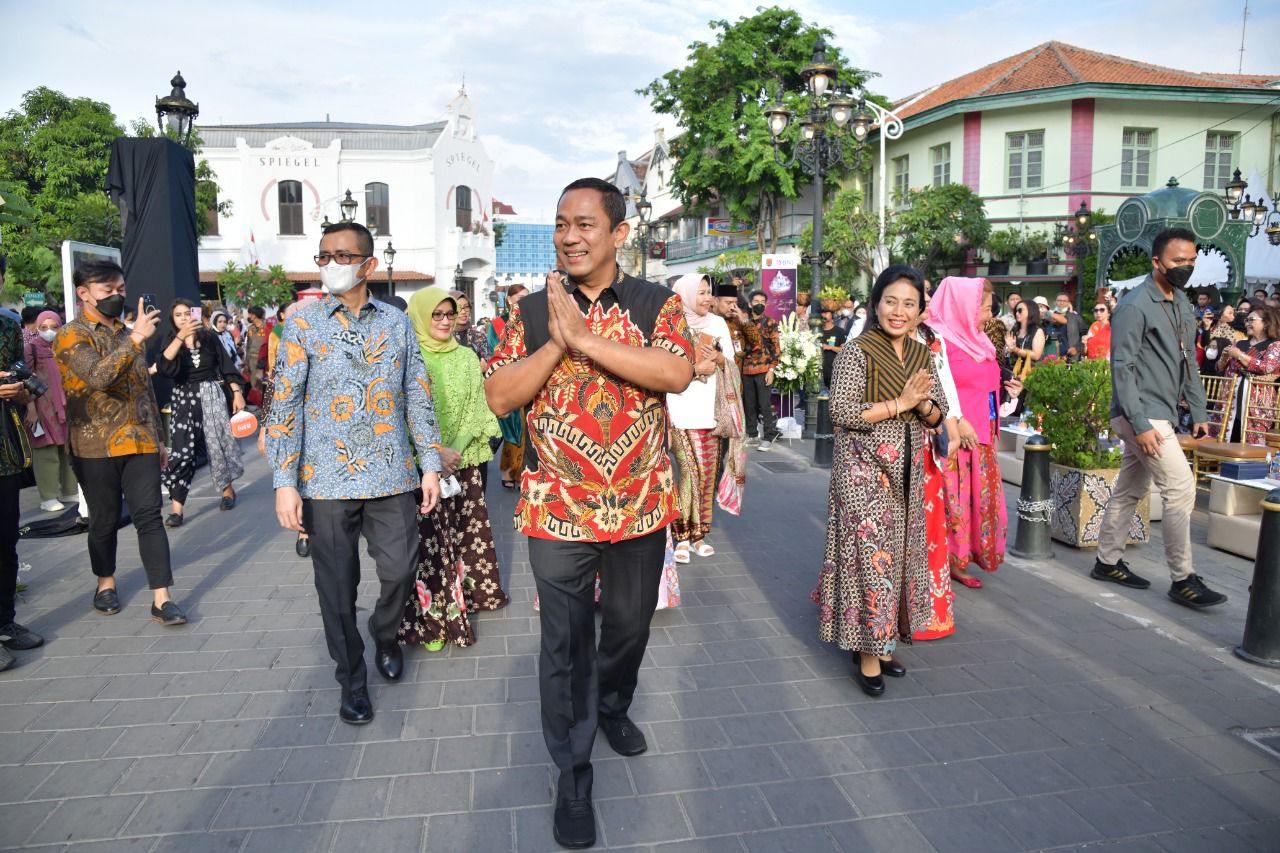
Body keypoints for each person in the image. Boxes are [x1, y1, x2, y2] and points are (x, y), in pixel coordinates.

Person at [484, 177, 693, 850]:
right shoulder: (530, 311)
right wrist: (556, 341)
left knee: (628, 628)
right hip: (558, 509)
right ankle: (573, 773)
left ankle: (613, 704)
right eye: (560, 224)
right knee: (564, 644)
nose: (570, 236)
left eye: (585, 224)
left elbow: (676, 373)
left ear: (619, 233)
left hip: (639, 504)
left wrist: (589, 341)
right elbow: (497, 394)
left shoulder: (655, 302)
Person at [267, 221, 443, 725]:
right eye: (324, 256)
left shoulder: (397, 323)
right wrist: (284, 483)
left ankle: (386, 633)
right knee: (337, 589)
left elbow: (416, 393)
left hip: (392, 475)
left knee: (401, 572)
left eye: (342, 256)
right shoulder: (301, 326)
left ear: (367, 265)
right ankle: (352, 679)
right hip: (324, 481)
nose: (331, 265)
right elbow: (283, 408)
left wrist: (429, 463)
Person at [814, 264, 946, 698]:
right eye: (891, 301)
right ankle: (868, 654)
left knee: (901, 556)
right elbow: (843, 413)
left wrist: (923, 406)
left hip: (906, 470)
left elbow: (938, 413)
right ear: (875, 304)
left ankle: (884, 642)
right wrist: (900, 403)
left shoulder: (923, 354)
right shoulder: (857, 352)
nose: (899, 311)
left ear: (921, 311)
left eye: (909, 304)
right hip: (862, 470)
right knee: (871, 560)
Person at [1093, 227, 1226, 608]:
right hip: (1142, 413)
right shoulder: (1135, 306)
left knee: (1130, 488)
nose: (1184, 267)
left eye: (1190, 261)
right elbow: (1122, 369)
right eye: (1176, 261)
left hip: (1160, 412)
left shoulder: (1182, 302)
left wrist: (1198, 410)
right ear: (1156, 262)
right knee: (1181, 487)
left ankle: (1106, 561)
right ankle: (1183, 578)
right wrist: (1141, 424)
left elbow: (1189, 361)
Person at [55, 260, 186, 626]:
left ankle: (162, 598)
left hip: (140, 440)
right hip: (94, 445)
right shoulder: (71, 334)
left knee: (149, 517)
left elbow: (142, 388)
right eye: (107, 290)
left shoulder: (129, 333)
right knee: (104, 520)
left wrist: (159, 439)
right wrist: (136, 339)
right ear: (84, 293)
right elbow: (98, 377)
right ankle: (105, 582)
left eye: (120, 290)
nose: (116, 296)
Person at [399, 288, 506, 650]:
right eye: (437, 315)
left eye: (450, 314)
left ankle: (468, 596)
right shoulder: (406, 357)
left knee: (463, 534)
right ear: (421, 316)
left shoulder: (465, 357)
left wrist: (453, 451)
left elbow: (479, 407)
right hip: (420, 469)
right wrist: (433, 453)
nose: (445, 321)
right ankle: (432, 617)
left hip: (462, 464)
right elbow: (399, 413)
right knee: (429, 544)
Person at [932, 277, 1008, 589]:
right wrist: (958, 420)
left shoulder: (978, 339)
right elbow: (936, 386)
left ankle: (963, 558)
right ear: (964, 306)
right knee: (955, 501)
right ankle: (949, 559)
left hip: (983, 435)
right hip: (957, 436)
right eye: (985, 308)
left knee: (977, 502)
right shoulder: (940, 341)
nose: (989, 315)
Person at [155, 298, 246, 526]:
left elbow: (226, 365)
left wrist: (236, 392)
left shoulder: (209, 338)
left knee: (218, 444)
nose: (184, 318)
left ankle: (227, 491)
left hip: (211, 394)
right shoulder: (170, 341)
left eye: (187, 313)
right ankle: (177, 509)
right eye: (179, 315)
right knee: (182, 452)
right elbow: (165, 368)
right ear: (172, 319)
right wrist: (180, 337)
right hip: (184, 398)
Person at [668, 273, 735, 564]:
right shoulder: (671, 324)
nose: (707, 298)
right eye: (701, 293)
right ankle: (681, 535)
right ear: (684, 294)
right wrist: (695, 369)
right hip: (679, 411)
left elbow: (731, 364)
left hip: (710, 414)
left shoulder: (718, 324)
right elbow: (662, 368)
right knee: (688, 474)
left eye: (708, 293)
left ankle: (700, 535)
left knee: (707, 476)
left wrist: (718, 360)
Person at [911, 281, 963, 641]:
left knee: (928, 525)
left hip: (927, 442)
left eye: (923, 297)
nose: (926, 302)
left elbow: (946, 386)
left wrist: (952, 424)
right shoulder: (868, 340)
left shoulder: (932, 341)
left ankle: (928, 609)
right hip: (887, 450)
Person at [0, 305, 42, 670]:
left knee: (6, 541)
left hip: (6, 453)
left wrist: (22, 392)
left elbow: (20, 375)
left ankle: (5, 622)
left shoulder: (8, 328)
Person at [23, 310, 78, 511]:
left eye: (54, 327)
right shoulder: (31, 349)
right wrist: (30, 407)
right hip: (41, 406)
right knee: (45, 451)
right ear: (37, 328)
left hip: (64, 406)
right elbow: (26, 379)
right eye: (44, 328)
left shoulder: (64, 347)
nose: (49, 332)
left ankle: (70, 490)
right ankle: (48, 497)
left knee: (66, 449)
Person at [1219, 305, 1280, 445]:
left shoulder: (1275, 345)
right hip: (1231, 395)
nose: (1247, 323)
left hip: (1257, 400)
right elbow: (1221, 368)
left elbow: (1267, 367)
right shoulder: (1240, 343)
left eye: (1252, 320)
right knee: (1229, 432)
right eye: (1247, 320)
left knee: (1253, 435)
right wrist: (1223, 357)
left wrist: (1240, 356)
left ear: (1266, 323)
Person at [489, 283, 528, 489]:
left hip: (527, 378)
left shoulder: (530, 321)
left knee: (526, 428)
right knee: (511, 429)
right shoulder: (497, 324)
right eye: (520, 298)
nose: (524, 302)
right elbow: (493, 350)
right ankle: (506, 469)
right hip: (505, 379)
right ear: (509, 299)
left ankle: (521, 471)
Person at [742, 290, 780, 450]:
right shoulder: (744, 322)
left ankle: (769, 435)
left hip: (764, 368)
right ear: (750, 304)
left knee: (765, 404)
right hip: (746, 369)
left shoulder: (770, 323)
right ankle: (752, 434)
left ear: (766, 304)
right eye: (756, 301)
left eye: (762, 301)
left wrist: (771, 370)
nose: (759, 304)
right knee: (749, 404)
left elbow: (776, 348)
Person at [1006, 298, 1047, 376]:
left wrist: (1015, 349)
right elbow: (1006, 351)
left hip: (1029, 374)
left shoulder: (1038, 331)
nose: (1017, 313)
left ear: (1031, 311)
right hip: (1011, 371)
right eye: (1016, 311)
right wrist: (1007, 348)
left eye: (1020, 310)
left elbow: (1036, 355)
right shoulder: (1015, 329)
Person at [452, 291, 490, 362]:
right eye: (458, 308)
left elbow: (486, 359)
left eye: (466, 307)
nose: (463, 312)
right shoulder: (445, 337)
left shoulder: (479, 336)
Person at [1047, 292, 1085, 361]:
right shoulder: (1048, 319)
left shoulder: (1076, 318)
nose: (1061, 303)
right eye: (1059, 301)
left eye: (1064, 301)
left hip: (1071, 359)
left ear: (1068, 304)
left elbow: (1085, 336)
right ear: (1055, 303)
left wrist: (1077, 348)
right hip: (1051, 361)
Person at [818, 305, 847, 389]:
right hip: (819, 373)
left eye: (826, 312)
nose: (823, 315)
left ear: (832, 315)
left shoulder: (839, 331)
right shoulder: (816, 330)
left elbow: (843, 350)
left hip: (833, 371)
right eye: (822, 313)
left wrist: (830, 347)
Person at [243, 305, 268, 391]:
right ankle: (257, 402)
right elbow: (248, 345)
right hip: (252, 360)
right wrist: (246, 360)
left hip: (264, 360)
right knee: (254, 383)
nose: (249, 316)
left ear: (255, 315)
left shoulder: (267, 326)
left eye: (250, 314)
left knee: (265, 383)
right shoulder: (250, 328)